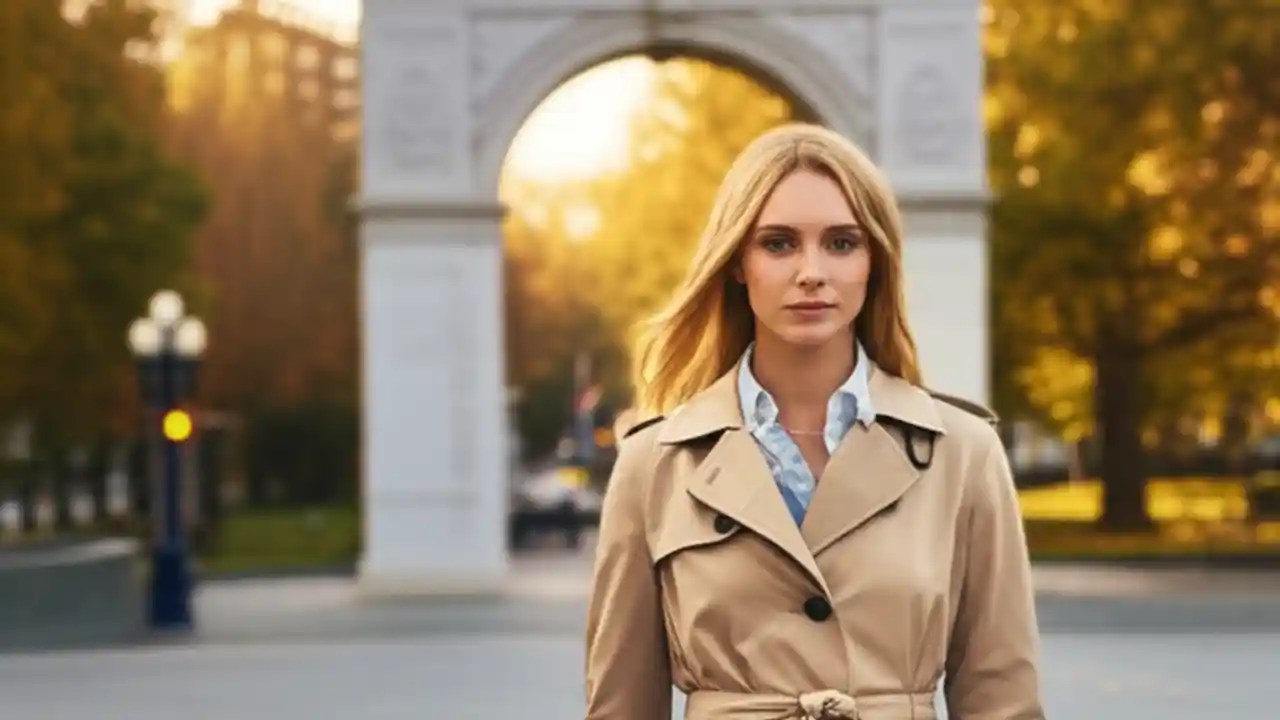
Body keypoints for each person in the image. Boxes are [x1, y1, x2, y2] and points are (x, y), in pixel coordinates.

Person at [584, 123, 1044, 720]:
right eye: (778, 244)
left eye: (842, 242)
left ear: (874, 260)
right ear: (736, 263)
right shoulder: (655, 465)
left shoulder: (964, 453)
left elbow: (1001, 698)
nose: (811, 271)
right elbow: (620, 707)